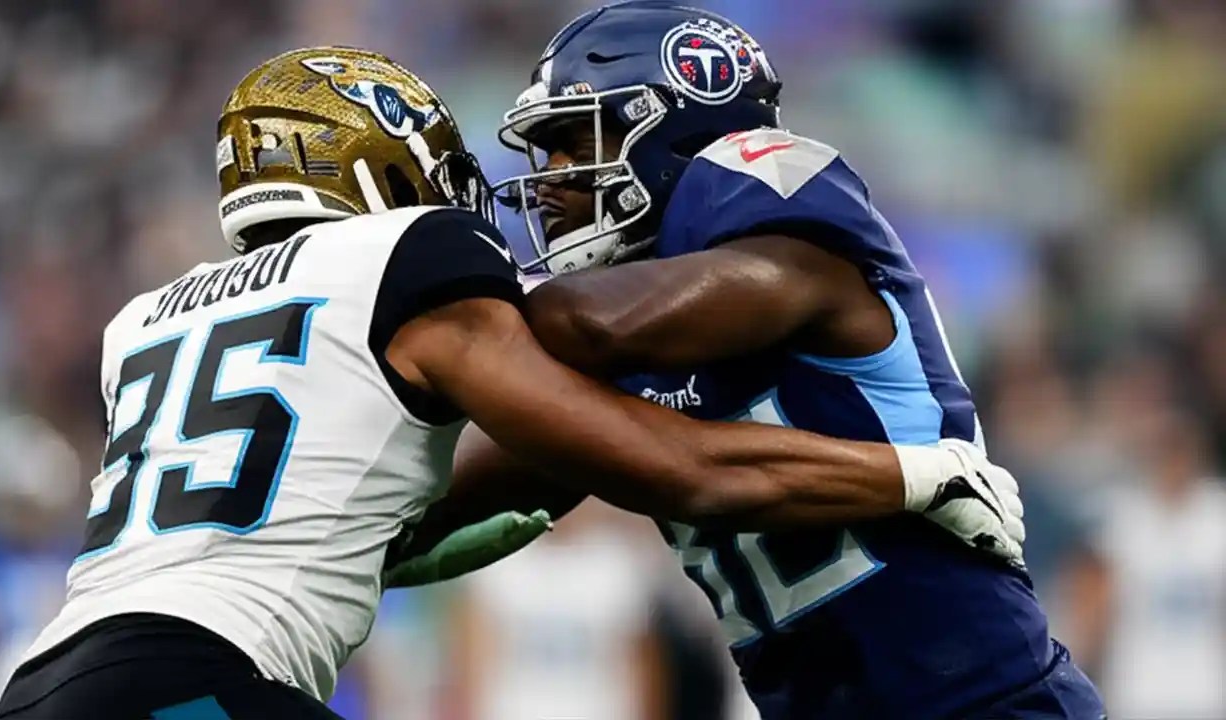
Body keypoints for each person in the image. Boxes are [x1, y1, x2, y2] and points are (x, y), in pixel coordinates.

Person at [0, 46, 1020, 720]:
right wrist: (912, 475)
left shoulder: (146, 318)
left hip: (42, 684)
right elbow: (683, 470)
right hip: (198, 681)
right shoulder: (401, 256)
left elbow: (277, 509)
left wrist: (414, 522)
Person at [448, 2, 1106, 718]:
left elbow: (600, 331)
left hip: (984, 701)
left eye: (575, 143)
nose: (551, 180)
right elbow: (462, 482)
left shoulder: (787, 254)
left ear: (670, 123)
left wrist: (435, 290)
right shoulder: (614, 336)